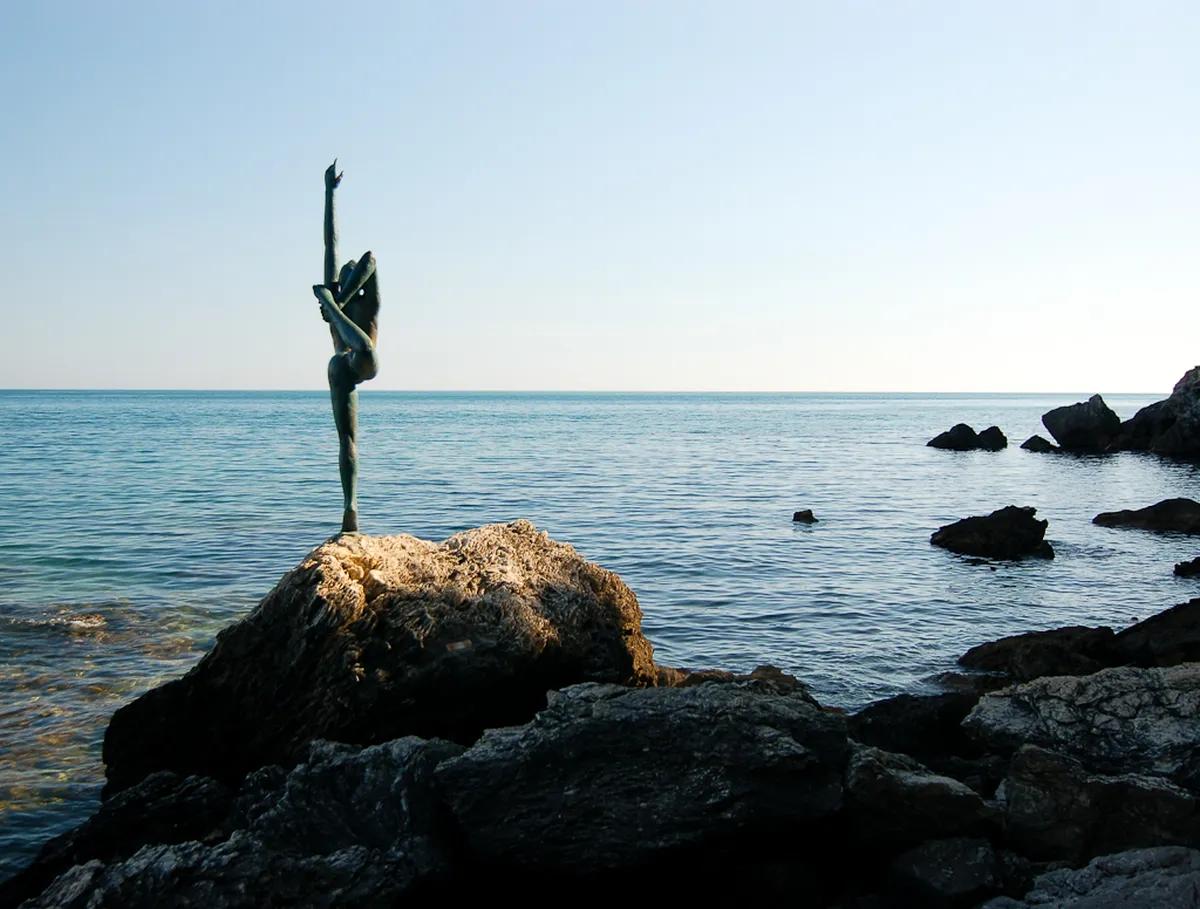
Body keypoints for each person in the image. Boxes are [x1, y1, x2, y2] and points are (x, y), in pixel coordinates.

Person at [312, 160, 380, 533]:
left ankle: (351, 506)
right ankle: (350, 508)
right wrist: (328, 193)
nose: (346, 269)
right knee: (347, 439)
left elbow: (370, 260)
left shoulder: (366, 302)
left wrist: (334, 303)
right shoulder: (353, 299)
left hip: (359, 358)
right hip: (346, 365)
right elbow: (330, 242)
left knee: (363, 349)